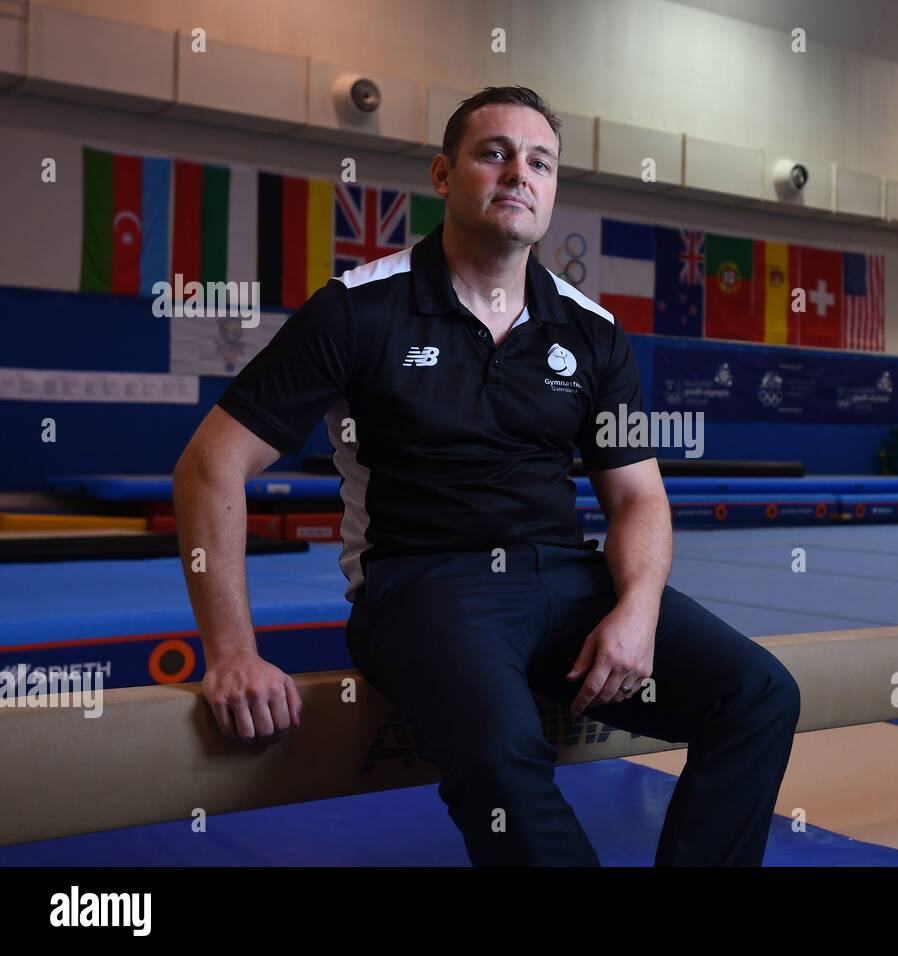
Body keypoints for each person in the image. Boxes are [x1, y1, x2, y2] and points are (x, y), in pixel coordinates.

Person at [172, 85, 800, 866]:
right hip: (424, 585)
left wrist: (637, 609)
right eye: (494, 153)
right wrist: (232, 649)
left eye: (540, 162)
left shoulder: (593, 332)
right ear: (444, 174)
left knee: (762, 697)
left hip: (569, 581)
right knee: (504, 749)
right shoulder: (358, 310)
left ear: (553, 189)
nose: (518, 174)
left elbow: (639, 494)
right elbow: (210, 466)